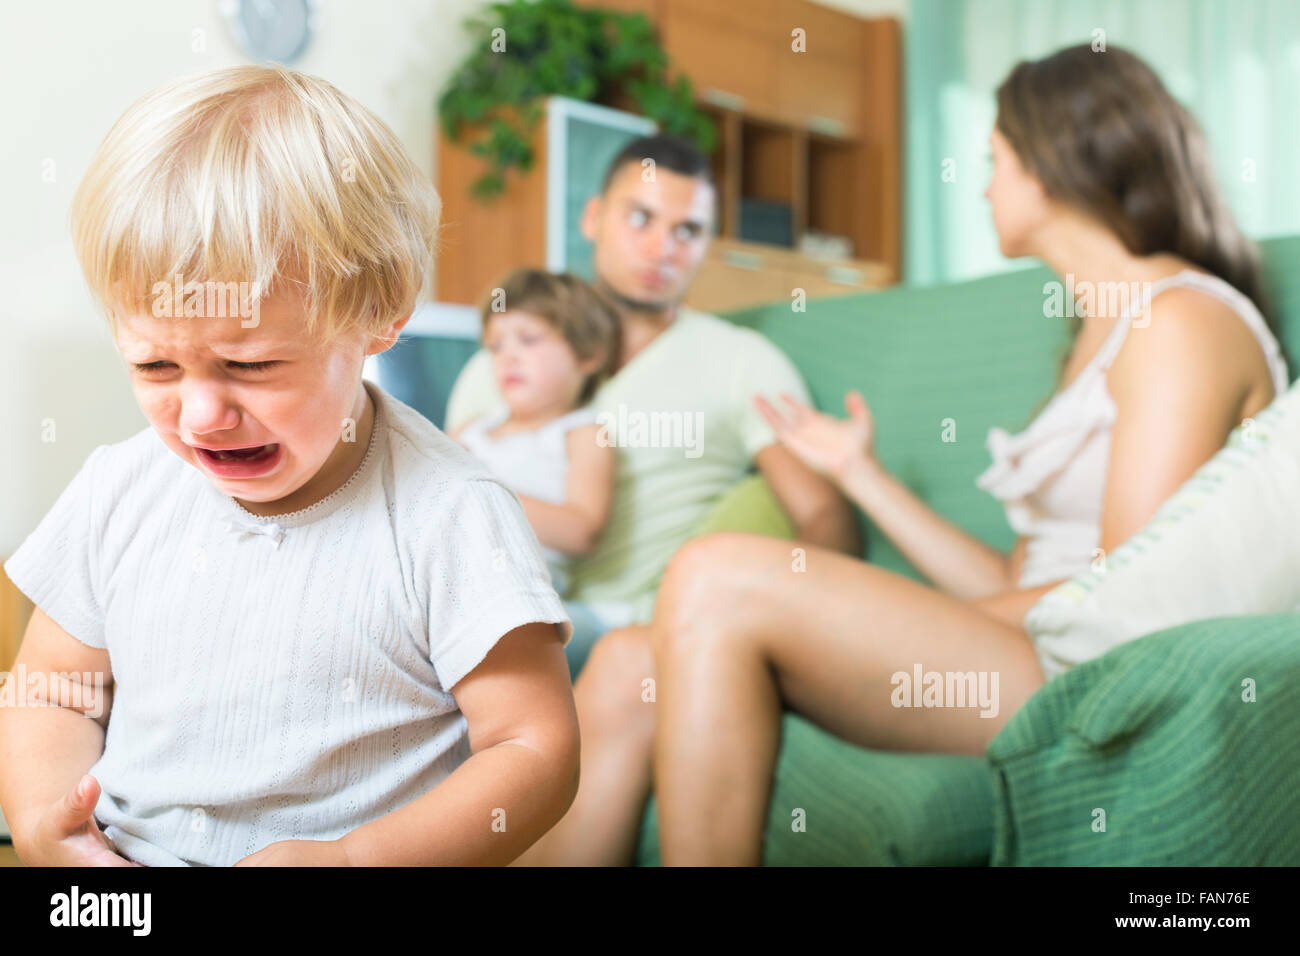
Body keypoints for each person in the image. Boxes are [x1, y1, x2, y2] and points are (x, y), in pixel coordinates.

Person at [520, 44, 1291, 865]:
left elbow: (1127, 596)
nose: (985, 184)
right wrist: (863, 475)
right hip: (1034, 640)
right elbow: (1008, 576)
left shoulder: (1178, 323)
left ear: (1054, 162)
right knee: (632, 657)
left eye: (993, 159)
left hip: (1091, 672)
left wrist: (884, 611)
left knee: (712, 574)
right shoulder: (1096, 333)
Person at [0, 65, 578, 867]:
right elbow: (53, 690)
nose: (201, 415)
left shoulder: (451, 512)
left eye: (252, 365)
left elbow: (534, 750)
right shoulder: (117, 488)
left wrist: (356, 860)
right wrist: (40, 822)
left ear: (379, 313)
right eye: (157, 367)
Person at [445, 134, 861, 649]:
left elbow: (823, 516)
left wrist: (791, 637)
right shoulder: (498, 364)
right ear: (593, 218)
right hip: (493, 601)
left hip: (642, 632)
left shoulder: (743, 362)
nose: (661, 249)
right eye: (640, 219)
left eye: (687, 231)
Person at [451, 269, 622, 679]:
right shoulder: (471, 430)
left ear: (587, 356)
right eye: (496, 346)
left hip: (517, 594)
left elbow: (582, 530)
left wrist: (486, 495)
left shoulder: (582, 433)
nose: (508, 356)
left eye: (528, 340)